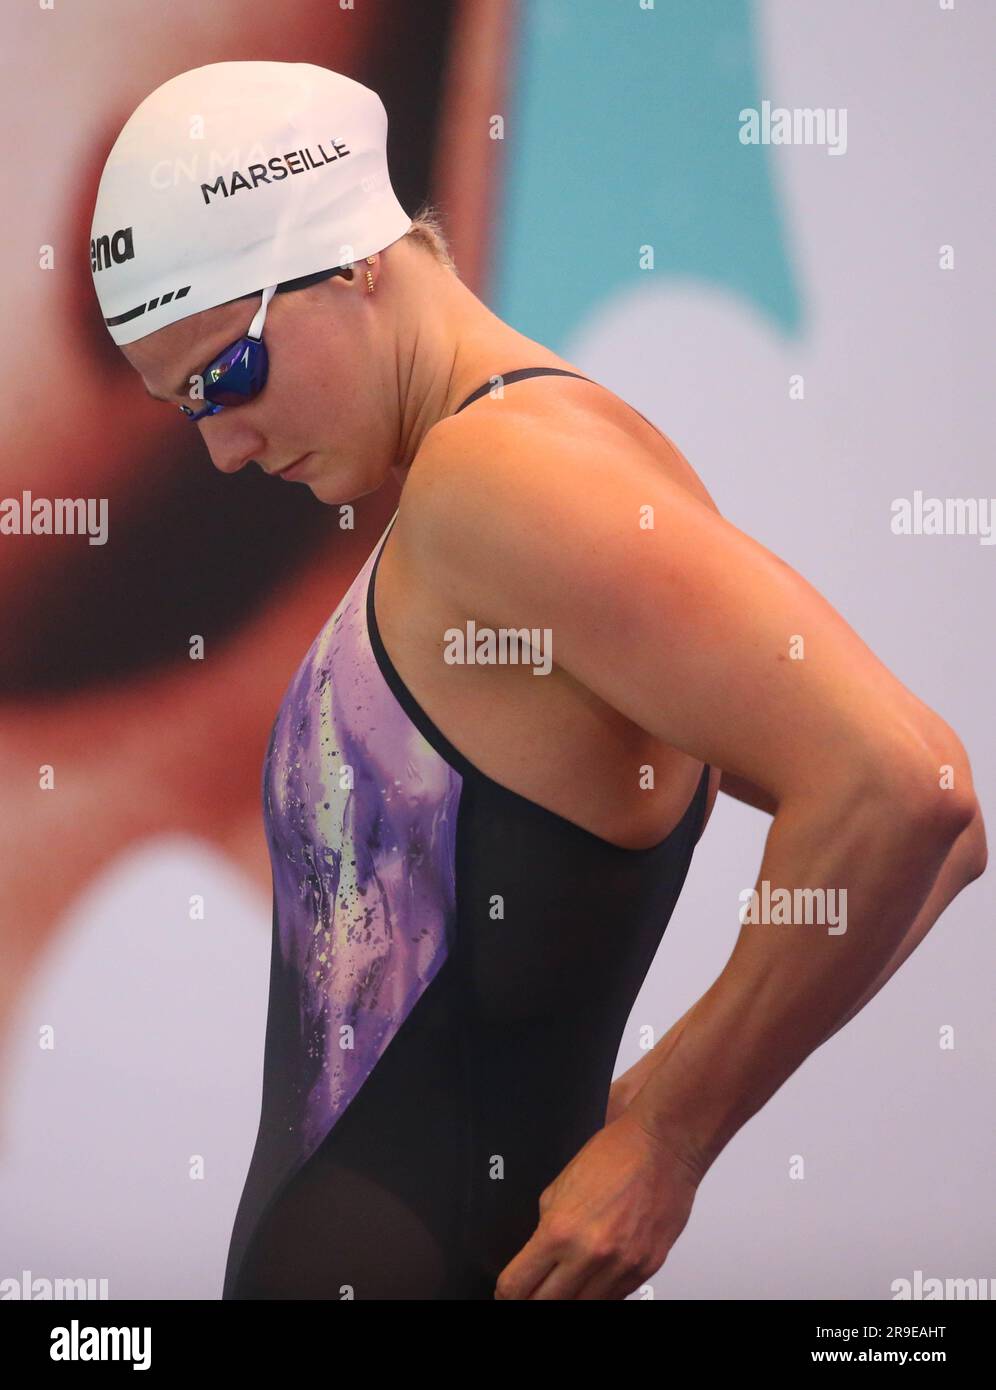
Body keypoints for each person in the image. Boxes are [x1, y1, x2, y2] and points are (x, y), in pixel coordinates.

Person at [90, 60, 987, 1301]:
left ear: (354, 259)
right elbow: (923, 828)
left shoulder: (501, 480)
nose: (223, 447)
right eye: (181, 405)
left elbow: (911, 793)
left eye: (227, 376)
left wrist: (666, 1133)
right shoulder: (533, 467)